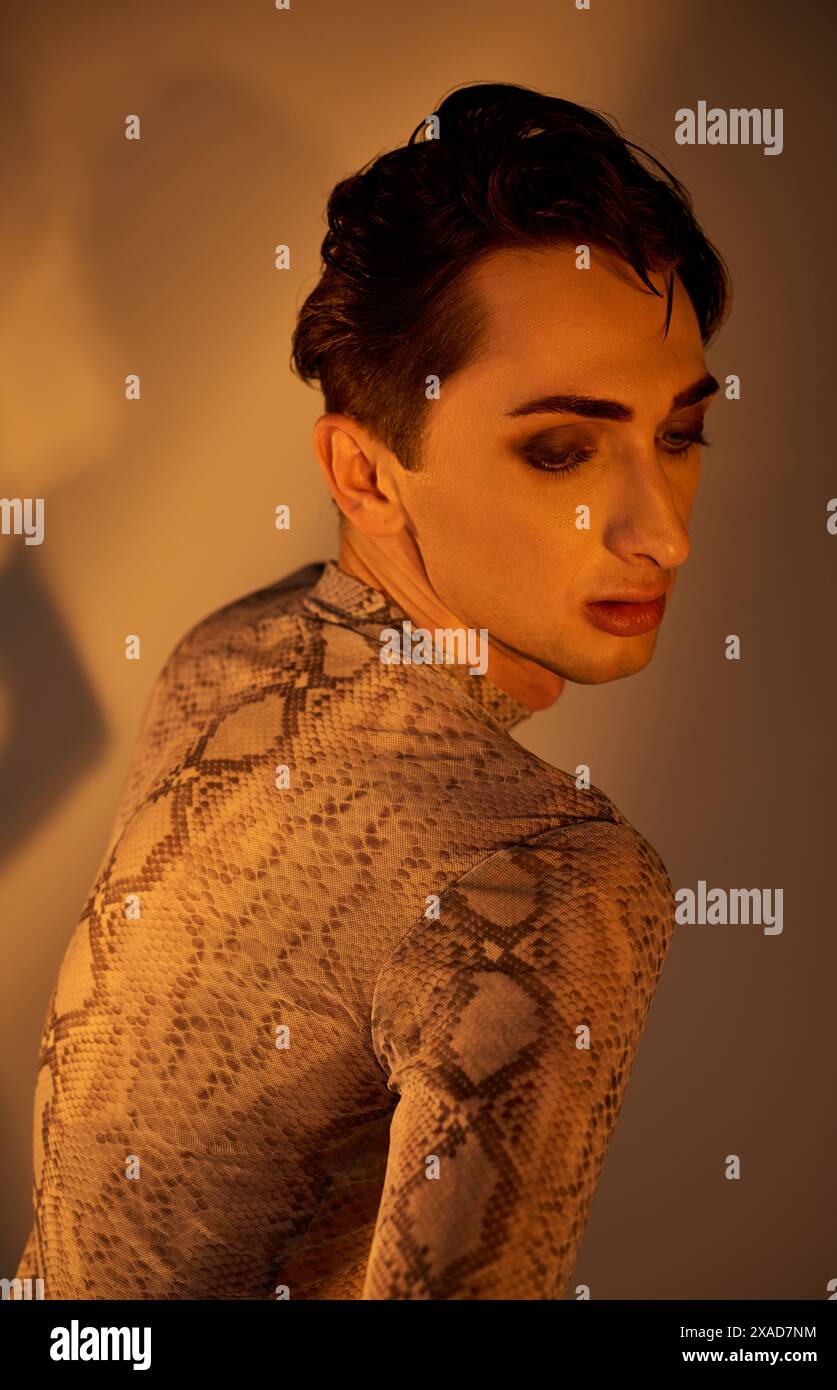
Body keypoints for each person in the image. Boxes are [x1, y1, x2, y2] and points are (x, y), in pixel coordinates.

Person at [15, 81, 729, 1300]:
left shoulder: (230, 652)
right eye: (560, 448)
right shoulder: (553, 876)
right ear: (361, 468)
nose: (662, 533)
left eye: (678, 434)